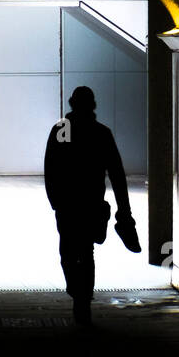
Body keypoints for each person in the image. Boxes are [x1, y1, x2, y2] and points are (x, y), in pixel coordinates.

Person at [43, 86, 133, 325]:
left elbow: (51, 166)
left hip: (67, 204)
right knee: (86, 251)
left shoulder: (62, 129)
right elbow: (117, 174)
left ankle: (76, 291)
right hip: (92, 203)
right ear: (93, 104)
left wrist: (55, 200)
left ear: (72, 103)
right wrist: (125, 209)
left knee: (68, 251)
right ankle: (84, 296)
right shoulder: (101, 133)